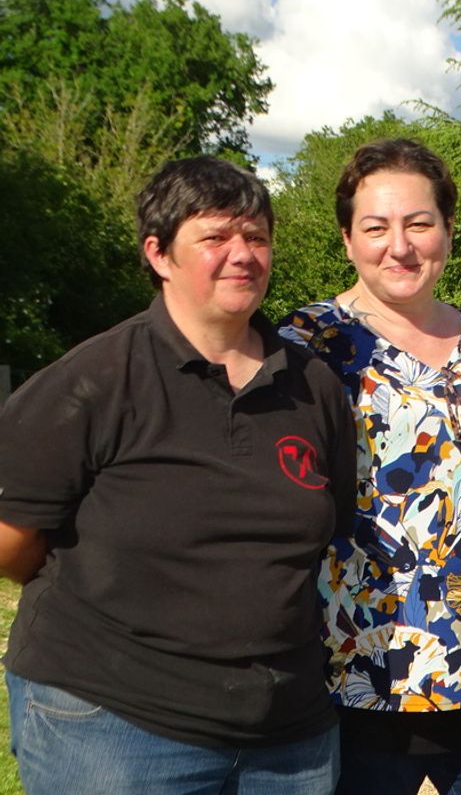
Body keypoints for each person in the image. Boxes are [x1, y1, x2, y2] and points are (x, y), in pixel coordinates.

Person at [0, 156, 356, 794]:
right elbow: (12, 541)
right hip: (114, 725)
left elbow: (327, 532)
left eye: (256, 237)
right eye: (215, 238)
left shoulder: (314, 388)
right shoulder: (93, 381)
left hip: (289, 736)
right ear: (159, 255)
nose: (242, 254)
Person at [278, 137, 461, 794]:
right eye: (376, 227)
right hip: (357, 683)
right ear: (348, 239)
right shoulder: (307, 344)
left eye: (419, 224)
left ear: (449, 232)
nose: (399, 245)